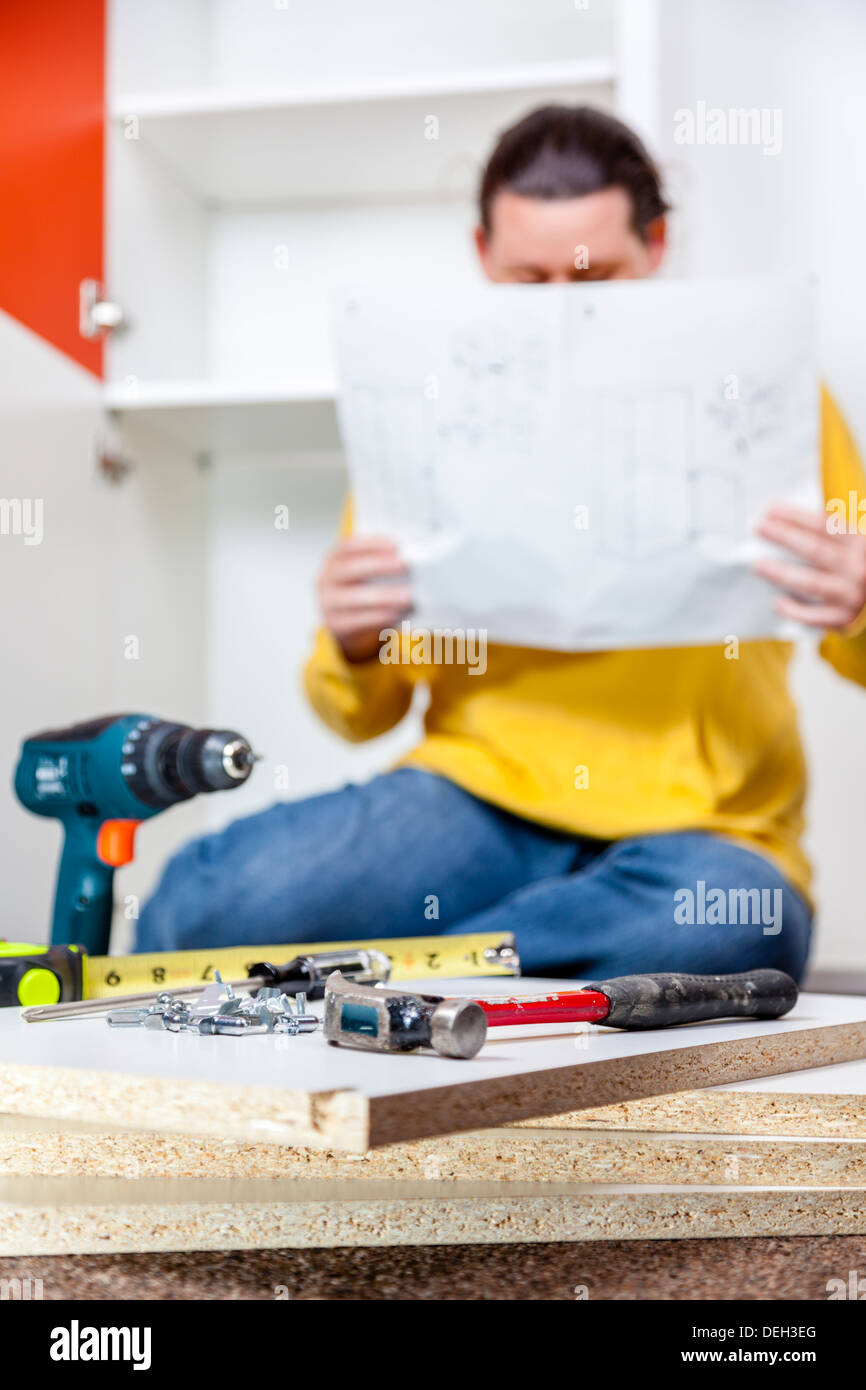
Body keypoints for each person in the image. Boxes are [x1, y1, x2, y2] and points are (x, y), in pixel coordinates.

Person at [137, 106, 866, 981]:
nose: (563, 312)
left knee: (730, 927)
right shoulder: (428, 407)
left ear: (657, 245)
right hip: (473, 802)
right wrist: (352, 639)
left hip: (705, 829)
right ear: (483, 255)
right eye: (530, 280)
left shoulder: (773, 392)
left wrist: (859, 599)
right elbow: (355, 713)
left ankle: (391, 973)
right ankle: (489, 966)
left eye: (593, 278)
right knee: (198, 904)